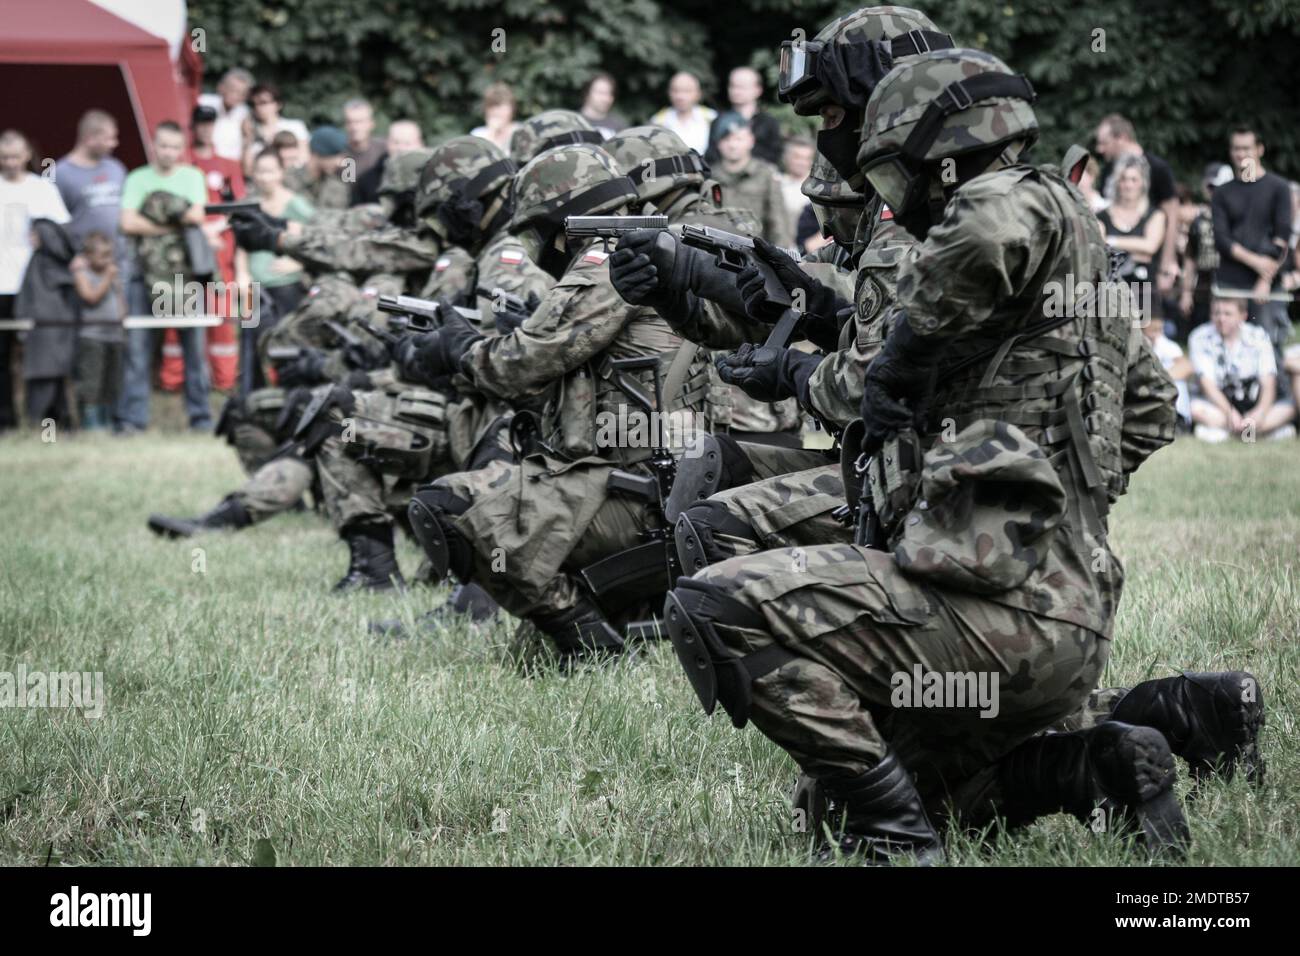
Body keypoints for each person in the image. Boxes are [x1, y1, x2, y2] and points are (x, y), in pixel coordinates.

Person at [662, 48, 1193, 861]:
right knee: (836, 814)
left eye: (889, 172)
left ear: (937, 155)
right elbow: (1153, 414)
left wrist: (887, 360)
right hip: (1073, 620)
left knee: (714, 605)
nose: (886, 198)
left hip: (989, 612)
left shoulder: (1011, 202)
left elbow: (983, 235)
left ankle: (901, 844)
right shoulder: (1077, 258)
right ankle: (1095, 763)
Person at [118, 121, 211, 432]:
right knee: (138, 351)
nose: (168, 152)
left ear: (181, 149)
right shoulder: (137, 178)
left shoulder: (193, 176)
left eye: (174, 147)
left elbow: (197, 215)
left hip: (184, 278)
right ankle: (133, 421)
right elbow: (128, 223)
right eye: (163, 146)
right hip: (143, 277)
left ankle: (200, 419)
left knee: (194, 353)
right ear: (153, 145)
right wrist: (171, 224)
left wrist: (156, 212)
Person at [0, 129, 70, 430]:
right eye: (4, 157)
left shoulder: (42, 189)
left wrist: (45, 236)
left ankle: (51, 422)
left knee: (46, 354)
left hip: (37, 286)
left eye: (15, 156)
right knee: (2, 359)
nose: (10, 162)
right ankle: (6, 423)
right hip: (2, 285)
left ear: (27, 154)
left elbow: (63, 234)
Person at [233, 148, 314, 393]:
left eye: (270, 171)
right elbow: (241, 246)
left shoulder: (297, 204)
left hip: (287, 286)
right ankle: (250, 401)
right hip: (253, 289)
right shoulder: (247, 205)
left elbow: (318, 241)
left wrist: (299, 263)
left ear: (280, 173)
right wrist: (242, 275)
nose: (264, 177)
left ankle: (292, 397)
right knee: (250, 346)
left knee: (289, 343)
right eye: (260, 171)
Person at [1212, 127, 1294, 353]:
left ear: (1259, 150)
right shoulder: (1222, 192)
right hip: (1231, 282)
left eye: (1246, 148)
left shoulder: (1278, 187)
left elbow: (1283, 236)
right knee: (1227, 349)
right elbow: (1221, 238)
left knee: (1268, 349)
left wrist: (1265, 278)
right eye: (1236, 148)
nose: (1241, 154)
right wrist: (1256, 262)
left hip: (1268, 284)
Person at [1189, 295, 1296, 442]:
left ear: (1243, 316)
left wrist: (1260, 412)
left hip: (1254, 403)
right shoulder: (1199, 337)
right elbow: (1207, 384)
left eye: (1227, 314)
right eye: (1216, 313)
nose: (1221, 319)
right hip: (1219, 406)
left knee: (1291, 407)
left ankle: (1229, 432)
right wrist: (1229, 412)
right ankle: (1260, 433)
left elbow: (1268, 381)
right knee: (1194, 408)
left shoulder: (1258, 336)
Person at [1094, 114, 1179, 297]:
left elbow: (1172, 215)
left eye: (1104, 142)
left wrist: (1168, 261)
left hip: (1148, 266)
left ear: (1122, 138)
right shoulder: (1109, 170)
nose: (1099, 149)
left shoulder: (1157, 167)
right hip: (1114, 269)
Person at [1097, 153, 1165, 320]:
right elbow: (1099, 246)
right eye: (1124, 179)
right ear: (1117, 182)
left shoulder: (1155, 215)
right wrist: (1137, 250)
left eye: (1134, 179)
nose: (1128, 185)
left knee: (1145, 337)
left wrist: (1111, 241)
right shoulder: (1101, 216)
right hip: (1109, 290)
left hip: (1144, 290)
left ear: (1143, 183)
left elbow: (1150, 247)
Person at [710, 113, 792, 247]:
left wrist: (780, 256)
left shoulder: (766, 174)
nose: (732, 145)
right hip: (718, 250)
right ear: (718, 143)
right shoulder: (710, 177)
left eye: (738, 139)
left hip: (756, 253)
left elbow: (778, 221)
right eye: (726, 139)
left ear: (751, 141)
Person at [70, 231, 126, 429]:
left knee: (110, 384)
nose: (107, 260)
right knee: (91, 384)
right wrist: (107, 278)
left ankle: (108, 421)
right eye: (102, 255)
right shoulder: (82, 274)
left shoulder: (112, 275)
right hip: (92, 338)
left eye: (109, 255)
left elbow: (120, 304)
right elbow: (90, 297)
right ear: (88, 256)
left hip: (114, 336)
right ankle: (91, 424)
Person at [1179, 163, 1234, 342]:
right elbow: (1190, 258)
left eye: (1219, 187)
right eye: (1211, 187)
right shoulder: (1198, 221)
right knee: (1202, 336)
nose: (1215, 192)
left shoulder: (1239, 219)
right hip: (1203, 286)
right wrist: (1186, 292)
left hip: (1231, 285)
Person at [705, 66, 782, 166]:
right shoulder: (718, 121)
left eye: (742, 87)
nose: (736, 91)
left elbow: (774, 156)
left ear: (758, 90)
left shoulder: (769, 123)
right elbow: (711, 156)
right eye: (732, 86)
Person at [241, 83, 310, 175]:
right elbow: (248, 171)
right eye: (253, 104)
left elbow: (304, 158)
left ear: (278, 104)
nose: (258, 108)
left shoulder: (295, 126)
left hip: (294, 179)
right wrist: (248, 137)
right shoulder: (251, 132)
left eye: (263, 102)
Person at [352, 119, 424, 206]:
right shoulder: (367, 180)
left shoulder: (431, 176)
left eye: (407, 143)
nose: (400, 148)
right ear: (387, 143)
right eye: (396, 143)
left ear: (420, 144)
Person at [649, 72, 716, 155]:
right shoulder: (658, 121)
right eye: (675, 91)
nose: (680, 96)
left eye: (687, 91)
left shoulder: (711, 117)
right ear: (669, 93)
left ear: (698, 94)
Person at [198, 68, 253, 163]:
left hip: (231, 164)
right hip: (204, 160)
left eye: (241, 93)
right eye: (232, 89)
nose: (235, 95)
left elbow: (248, 140)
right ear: (221, 87)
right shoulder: (204, 102)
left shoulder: (244, 113)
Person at [301, 125, 352, 211]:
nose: (339, 163)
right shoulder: (288, 181)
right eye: (334, 156)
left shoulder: (337, 187)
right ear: (317, 154)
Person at [342, 99, 385, 187]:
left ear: (371, 123)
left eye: (360, 122)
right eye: (350, 122)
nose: (354, 127)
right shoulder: (341, 153)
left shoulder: (384, 150)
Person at [470, 83, 519, 151]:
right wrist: (492, 134)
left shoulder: (520, 132)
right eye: (493, 107)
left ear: (512, 109)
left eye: (502, 108)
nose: (497, 112)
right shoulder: (478, 135)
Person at [578, 72, 627, 138]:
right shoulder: (572, 122)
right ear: (587, 94)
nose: (606, 99)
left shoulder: (619, 126)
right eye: (601, 92)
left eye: (610, 93)